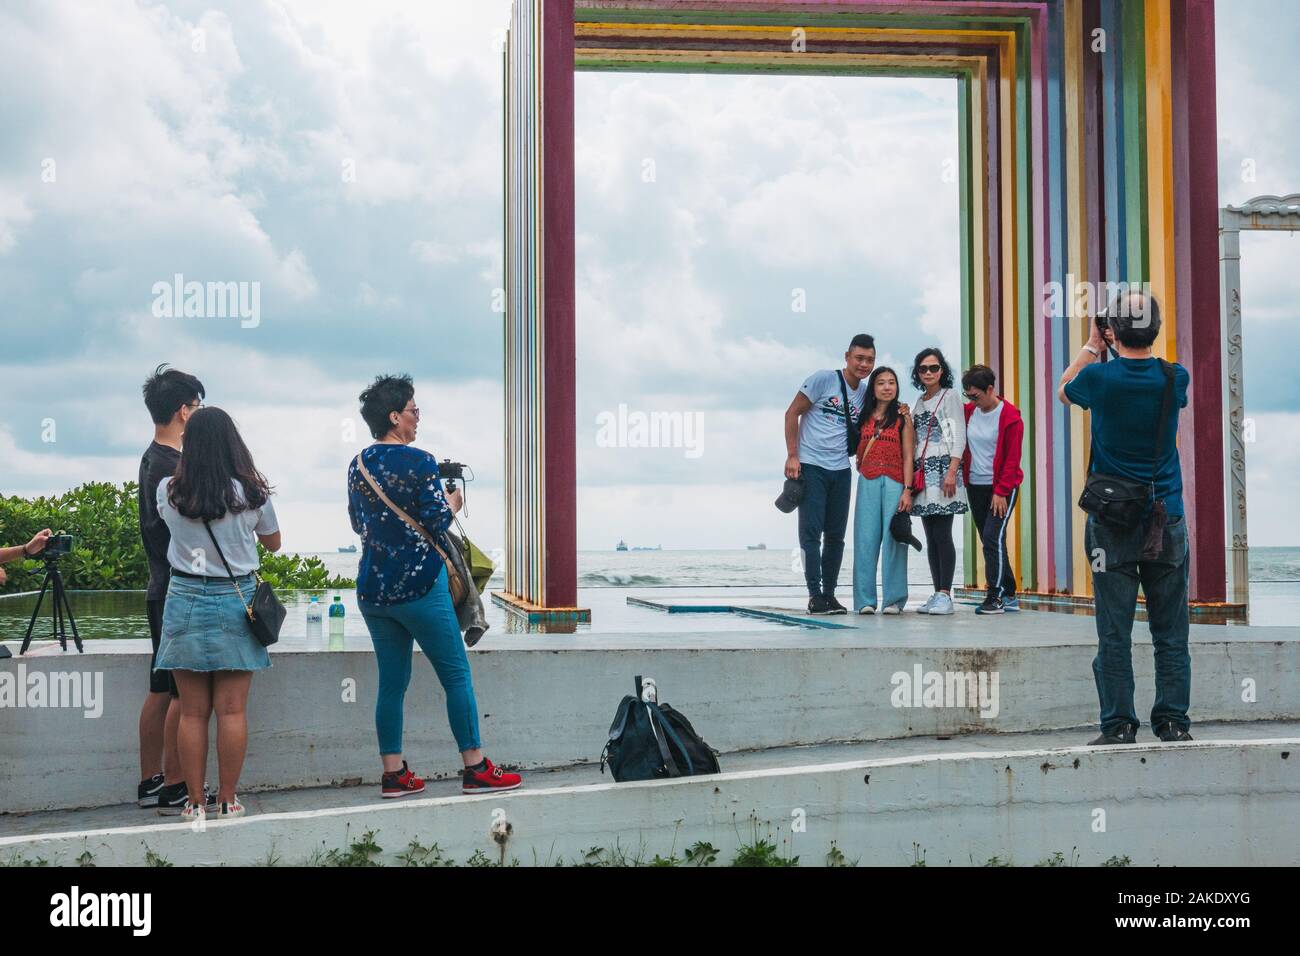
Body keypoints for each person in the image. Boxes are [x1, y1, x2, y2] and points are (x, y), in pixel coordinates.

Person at [347, 374, 521, 797]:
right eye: (412, 409)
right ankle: (475, 768)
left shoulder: (359, 465)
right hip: (421, 587)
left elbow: (357, 524)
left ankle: (394, 775)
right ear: (394, 417)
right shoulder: (421, 462)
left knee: (392, 682)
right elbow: (437, 521)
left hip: (374, 591)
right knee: (456, 675)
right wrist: (452, 503)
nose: (417, 416)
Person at [1059, 292, 1192, 746]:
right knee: (1170, 630)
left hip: (1112, 520)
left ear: (1113, 331)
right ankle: (1173, 722)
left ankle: (1118, 726)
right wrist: (1115, 339)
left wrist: (1095, 344)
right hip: (1166, 516)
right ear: (1155, 329)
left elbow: (1064, 388)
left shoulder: (1098, 377)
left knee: (1113, 630)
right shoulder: (1176, 377)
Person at [154, 406, 281, 822]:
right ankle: (228, 799)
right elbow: (274, 543)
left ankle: (193, 803)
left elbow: (171, 527)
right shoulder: (251, 493)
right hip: (236, 598)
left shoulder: (168, 491)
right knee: (231, 710)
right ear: (233, 442)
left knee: (192, 711)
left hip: (184, 596)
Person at [137, 364, 206, 814]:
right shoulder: (174, 466)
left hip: (158, 586)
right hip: (177, 587)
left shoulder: (150, 457)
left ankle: (150, 779)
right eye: (197, 407)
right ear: (184, 411)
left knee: (162, 688)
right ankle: (176, 782)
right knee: (183, 692)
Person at [784, 335, 875, 615]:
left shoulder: (865, 392)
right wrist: (792, 455)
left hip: (841, 470)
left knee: (836, 536)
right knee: (811, 534)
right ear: (847, 356)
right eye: (858, 358)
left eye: (869, 360)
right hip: (811, 466)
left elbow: (884, 410)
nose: (863, 364)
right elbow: (791, 414)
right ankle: (814, 595)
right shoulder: (823, 379)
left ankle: (829, 594)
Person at [960, 364, 1025, 615]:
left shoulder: (1010, 417)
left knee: (991, 537)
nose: (972, 401)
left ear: (990, 389)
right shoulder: (969, 412)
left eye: (976, 396)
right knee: (993, 539)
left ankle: (994, 596)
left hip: (1002, 488)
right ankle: (1009, 593)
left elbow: (1012, 459)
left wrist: (1001, 491)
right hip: (975, 486)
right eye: (968, 396)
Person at [909, 348, 968, 615]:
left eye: (934, 368)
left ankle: (946, 593)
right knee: (931, 535)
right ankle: (937, 593)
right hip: (924, 471)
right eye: (924, 369)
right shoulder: (919, 402)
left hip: (944, 467)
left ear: (942, 370)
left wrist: (952, 470)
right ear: (917, 373)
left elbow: (959, 435)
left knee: (943, 533)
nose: (929, 373)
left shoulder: (949, 396)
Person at [852, 367, 915, 615]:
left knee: (894, 540)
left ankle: (894, 599)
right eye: (881, 383)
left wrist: (907, 490)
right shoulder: (863, 416)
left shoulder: (902, 418)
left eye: (891, 383)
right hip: (867, 481)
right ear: (873, 388)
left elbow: (909, 456)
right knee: (865, 540)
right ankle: (864, 600)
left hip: (895, 481)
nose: (887, 387)